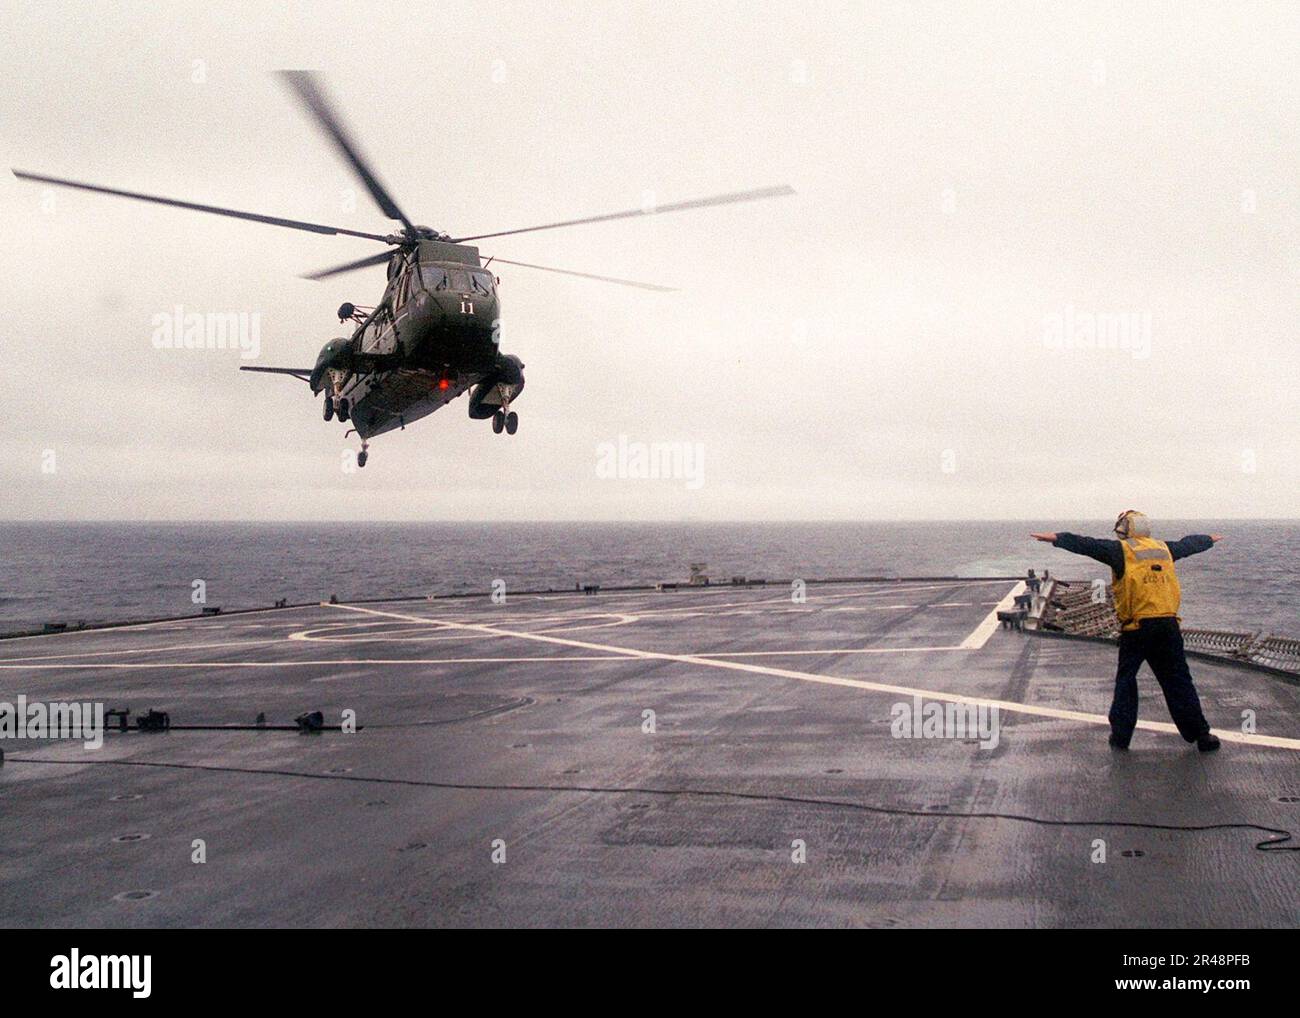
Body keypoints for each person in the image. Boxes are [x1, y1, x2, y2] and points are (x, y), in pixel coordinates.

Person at [1030, 511, 1223, 752]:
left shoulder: (1120, 551)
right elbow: (1188, 544)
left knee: (1126, 682)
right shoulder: (1165, 549)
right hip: (1168, 626)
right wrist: (1208, 539)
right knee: (1179, 681)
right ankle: (1202, 736)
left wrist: (1057, 538)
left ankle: (1121, 737)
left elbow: (1087, 545)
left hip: (1137, 628)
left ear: (1124, 529)